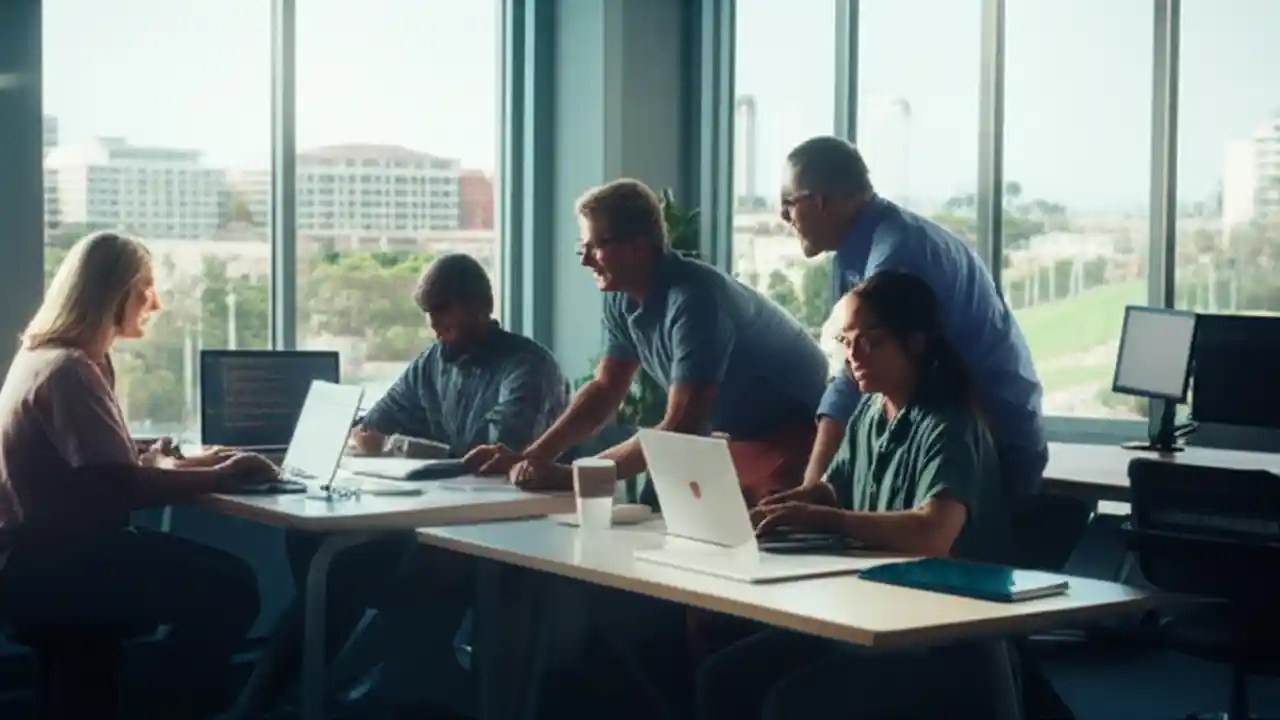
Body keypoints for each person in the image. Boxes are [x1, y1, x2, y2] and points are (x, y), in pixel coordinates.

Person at [241, 253, 569, 715]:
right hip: (444, 521)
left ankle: (329, 694)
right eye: (429, 315)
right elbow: (372, 426)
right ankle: (289, 699)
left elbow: (493, 455)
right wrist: (392, 441)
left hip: (508, 531)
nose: (435, 327)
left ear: (479, 305)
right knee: (323, 559)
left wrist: (402, 446)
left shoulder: (526, 366)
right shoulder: (434, 360)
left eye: (442, 312)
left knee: (358, 573)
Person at [696, 270, 1015, 720]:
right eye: (846, 342)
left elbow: (933, 533)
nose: (853, 355)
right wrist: (790, 507)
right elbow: (835, 488)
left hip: (941, 639)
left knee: (790, 704)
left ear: (917, 342)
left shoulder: (949, 424)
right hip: (872, 616)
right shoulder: (869, 411)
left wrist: (825, 519)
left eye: (872, 341)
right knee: (724, 678)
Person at [0, 231, 273, 718]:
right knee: (234, 589)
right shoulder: (71, 370)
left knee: (220, 582)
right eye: (145, 288)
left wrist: (184, 461)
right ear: (114, 294)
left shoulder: (50, 358)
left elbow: (98, 463)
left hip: (32, 557)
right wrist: (224, 476)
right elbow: (118, 485)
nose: (156, 302)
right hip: (58, 563)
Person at [464, 178, 829, 507]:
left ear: (639, 247)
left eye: (597, 246)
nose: (586, 260)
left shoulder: (694, 298)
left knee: (766, 540)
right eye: (583, 247)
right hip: (732, 434)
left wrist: (576, 476)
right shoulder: (620, 295)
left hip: (795, 432)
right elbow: (606, 388)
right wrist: (531, 455)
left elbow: (682, 426)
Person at [780, 136, 1047, 500]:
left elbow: (851, 379)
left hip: (981, 439)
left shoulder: (899, 253)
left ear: (821, 201)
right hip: (943, 430)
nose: (784, 217)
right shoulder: (855, 252)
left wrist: (810, 494)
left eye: (788, 203)